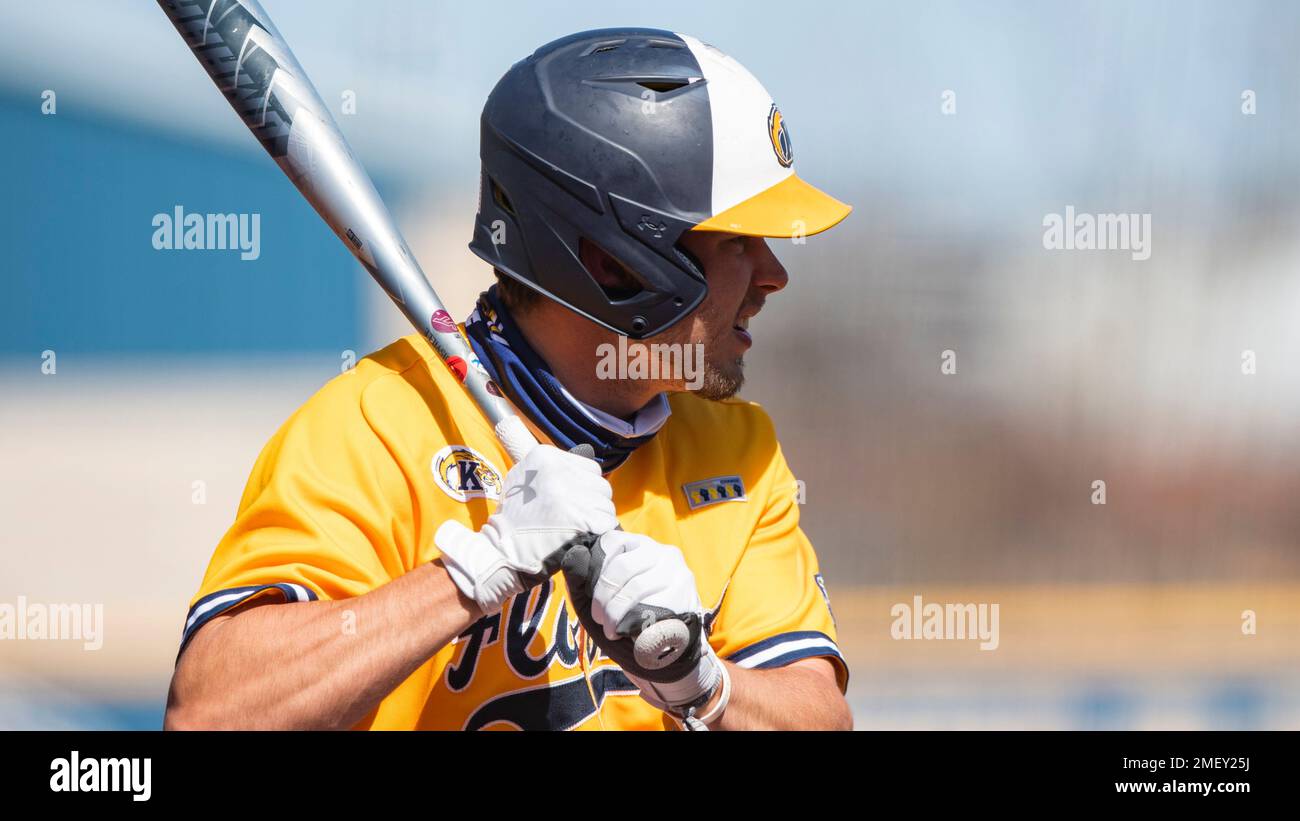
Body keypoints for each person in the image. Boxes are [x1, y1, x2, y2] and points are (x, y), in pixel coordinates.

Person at [165, 27, 853, 731]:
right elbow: (211, 713)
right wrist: (469, 577)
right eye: (738, 241)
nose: (774, 274)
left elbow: (820, 717)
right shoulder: (379, 424)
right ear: (614, 261)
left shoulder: (740, 450)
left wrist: (701, 682)